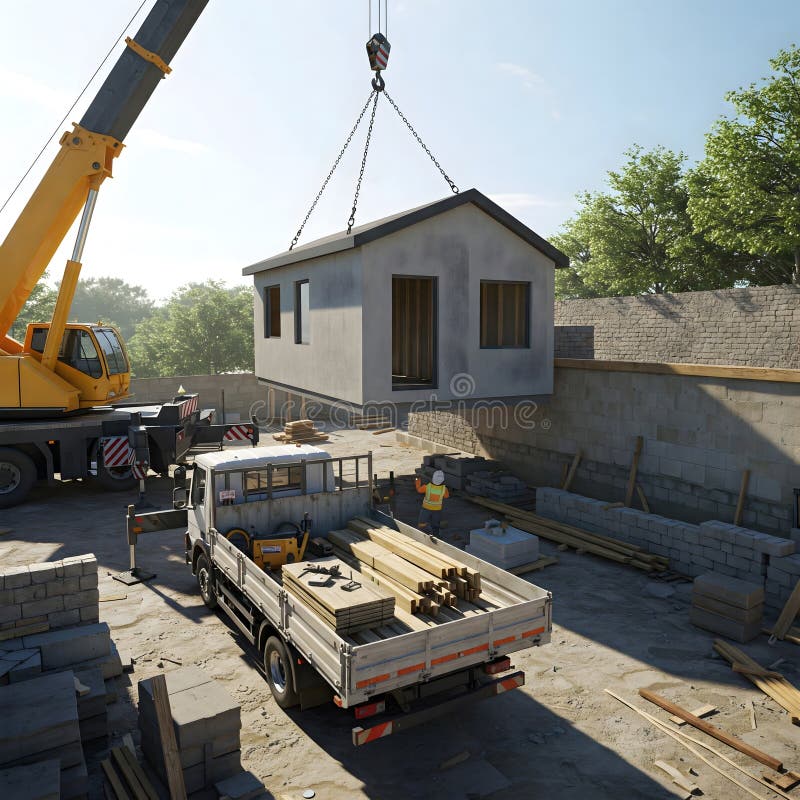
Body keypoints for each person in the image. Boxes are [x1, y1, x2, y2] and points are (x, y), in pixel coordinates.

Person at [415, 470, 449, 536]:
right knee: (435, 525)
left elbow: (419, 490)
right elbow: (447, 496)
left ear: (433, 478)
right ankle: (436, 536)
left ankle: (422, 534)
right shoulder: (444, 489)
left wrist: (417, 481)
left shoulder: (427, 486)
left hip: (426, 509)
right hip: (437, 510)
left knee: (422, 523)